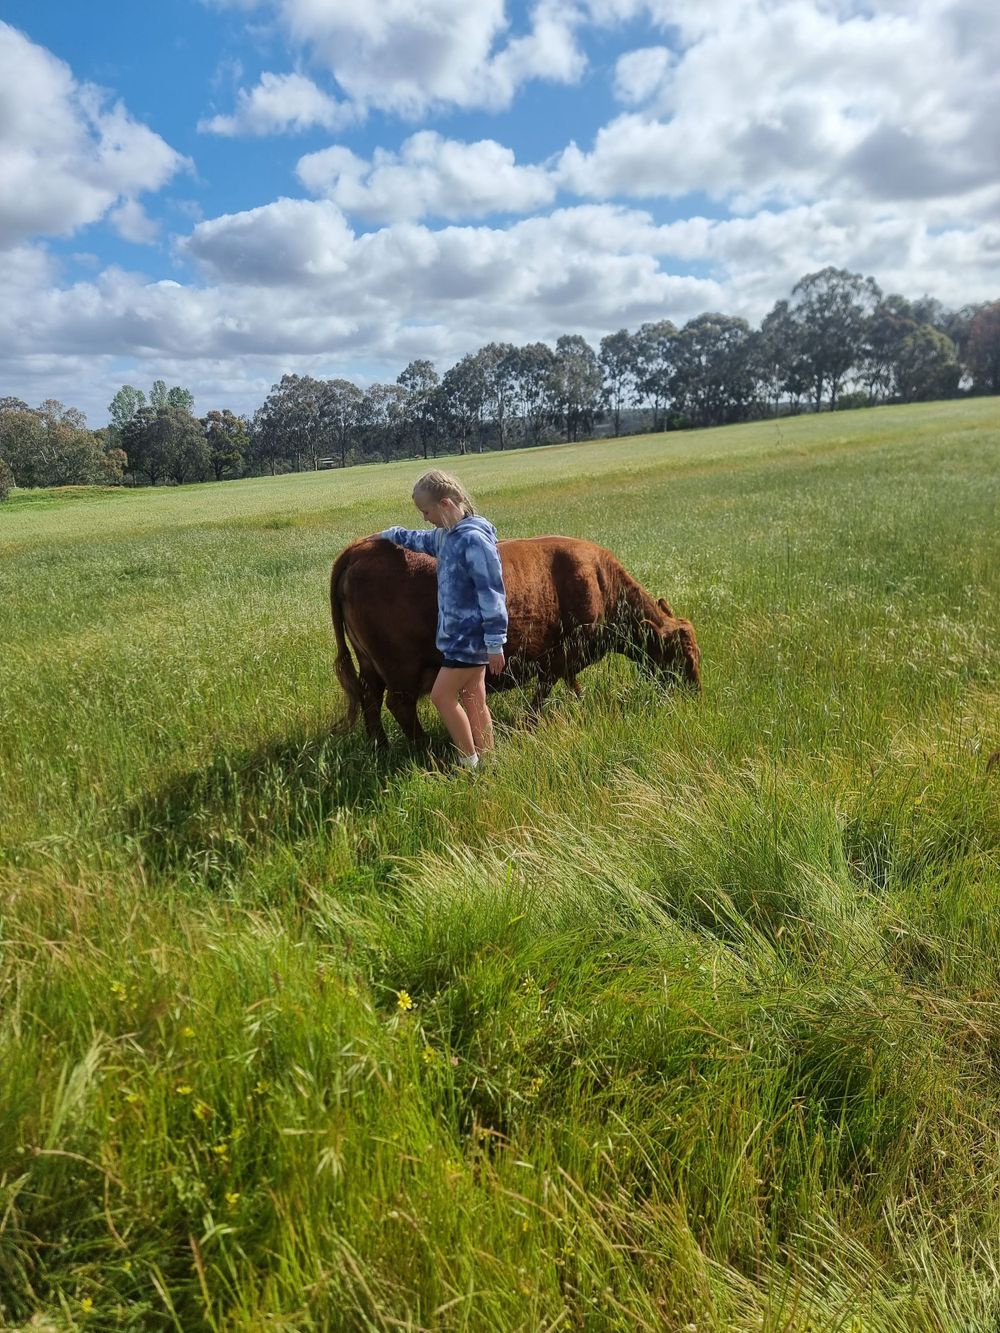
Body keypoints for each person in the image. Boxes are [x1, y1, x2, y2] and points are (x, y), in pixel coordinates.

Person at [379, 470, 507, 771]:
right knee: (474, 698)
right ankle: (489, 760)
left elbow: (492, 592)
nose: (424, 517)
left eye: (426, 511)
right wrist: (388, 534)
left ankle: (469, 763)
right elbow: (419, 539)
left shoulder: (474, 540)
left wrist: (495, 642)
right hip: (460, 639)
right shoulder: (446, 536)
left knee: (441, 697)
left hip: (469, 639)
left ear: (446, 504)